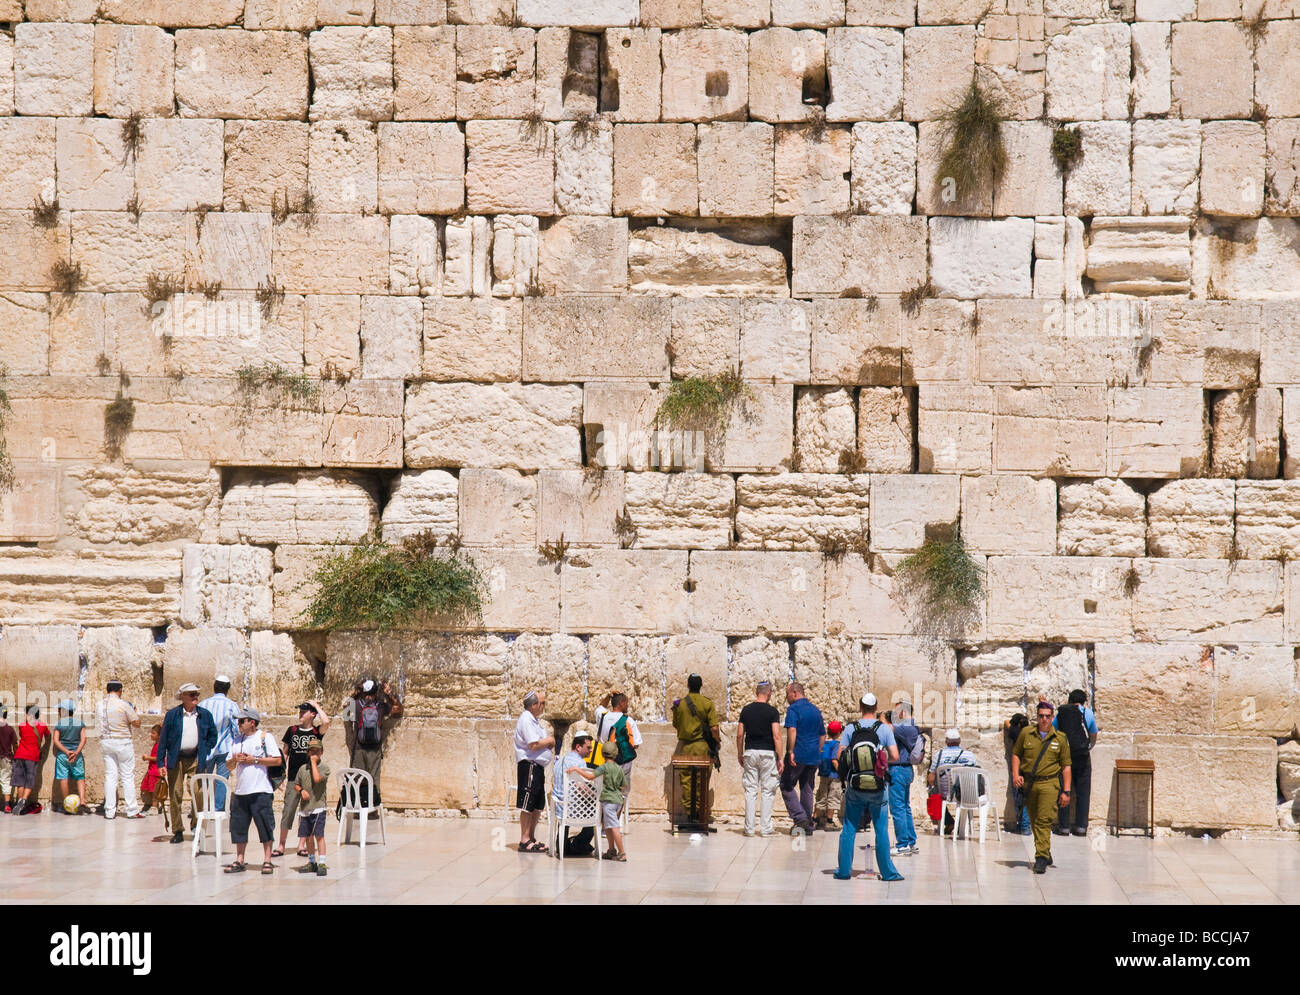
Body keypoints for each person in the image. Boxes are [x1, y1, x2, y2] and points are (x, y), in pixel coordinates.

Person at [833, 694, 904, 882]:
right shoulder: (884, 729)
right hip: (878, 787)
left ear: (860, 707)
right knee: (881, 830)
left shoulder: (850, 728)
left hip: (855, 786)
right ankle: (888, 873)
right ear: (876, 707)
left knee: (849, 828)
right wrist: (879, 762)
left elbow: (840, 756)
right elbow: (895, 756)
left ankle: (844, 871)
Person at [1011, 701, 1072, 874]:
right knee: (1034, 818)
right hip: (1030, 783)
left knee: (1044, 820)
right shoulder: (1026, 733)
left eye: (1047, 716)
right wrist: (1016, 775)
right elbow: (1016, 754)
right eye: (1041, 716)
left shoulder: (1060, 739)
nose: (1044, 719)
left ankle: (1040, 857)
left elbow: (1066, 766)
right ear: (1037, 717)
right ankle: (1045, 851)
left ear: (1052, 718)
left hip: (1049, 783)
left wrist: (1066, 791)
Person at [157, 682, 218, 843]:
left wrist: (206, 748)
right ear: (183, 697)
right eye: (191, 695)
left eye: (196, 694)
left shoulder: (204, 714)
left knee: (198, 793)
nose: (195, 697)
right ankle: (177, 830)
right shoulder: (172, 715)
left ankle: (196, 825)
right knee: (175, 794)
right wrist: (160, 763)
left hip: (195, 759)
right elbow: (162, 740)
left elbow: (213, 735)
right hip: (176, 759)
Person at [224, 708, 280, 875]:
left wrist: (254, 759)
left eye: (242, 721)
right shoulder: (236, 740)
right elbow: (228, 765)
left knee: (264, 826)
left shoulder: (265, 737)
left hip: (261, 790)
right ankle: (240, 859)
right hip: (241, 791)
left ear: (252, 722)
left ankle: (267, 860)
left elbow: (276, 760)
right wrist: (235, 759)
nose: (239, 724)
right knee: (238, 827)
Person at [275, 702, 331, 858]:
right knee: (288, 810)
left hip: (310, 779)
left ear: (312, 714)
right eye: (300, 711)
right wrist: (280, 774)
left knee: (306, 812)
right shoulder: (292, 730)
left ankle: (302, 845)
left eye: (304, 711)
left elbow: (326, 722)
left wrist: (316, 705)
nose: (300, 714)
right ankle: (281, 845)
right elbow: (285, 754)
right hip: (294, 777)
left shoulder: (315, 732)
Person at [670, 674, 720, 825]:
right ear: (701, 685)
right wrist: (717, 741)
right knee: (702, 779)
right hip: (702, 746)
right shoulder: (707, 703)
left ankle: (689, 814)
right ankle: (700, 813)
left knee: (686, 780)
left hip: (686, 747)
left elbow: (676, 725)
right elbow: (714, 727)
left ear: (687, 685)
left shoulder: (680, 704)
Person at [736, 680, 783, 837]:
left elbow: (739, 734)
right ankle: (766, 828)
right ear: (768, 693)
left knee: (750, 790)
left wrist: (739, 753)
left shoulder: (746, 710)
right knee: (768, 791)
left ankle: (749, 829)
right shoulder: (772, 712)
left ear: (757, 692)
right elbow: (777, 735)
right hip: (767, 753)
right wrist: (780, 757)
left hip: (750, 752)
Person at [342, 677, 402, 798]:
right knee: (374, 779)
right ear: (376, 693)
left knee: (357, 778)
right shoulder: (380, 706)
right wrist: (389, 693)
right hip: (375, 749)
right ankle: (373, 809)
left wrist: (356, 693)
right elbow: (399, 708)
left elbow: (345, 710)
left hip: (359, 748)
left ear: (363, 692)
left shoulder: (357, 705)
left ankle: (357, 807)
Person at [780, 682, 824, 835]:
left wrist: (790, 751)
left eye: (787, 694)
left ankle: (800, 819)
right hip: (813, 756)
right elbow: (822, 735)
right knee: (807, 787)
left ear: (794, 693)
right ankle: (807, 825)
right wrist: (817, 751)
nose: (786, 698)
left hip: (798, 753)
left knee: (786, 784)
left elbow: (792, 729)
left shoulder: (793, 709)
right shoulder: (816, 710)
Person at [513, 690, 554, 854]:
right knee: (528, 804)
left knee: (537, 804)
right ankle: (524, 839)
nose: (544, 706)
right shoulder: (526, 720)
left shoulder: (534, 721)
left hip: (537, 766)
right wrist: (549, 741)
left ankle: (531, 837)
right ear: (533, 705)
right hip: (529, 764)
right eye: (542, 703)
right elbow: (533, 744)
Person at [97, 678, 142, 820]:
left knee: (110, 777)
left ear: (107, 689)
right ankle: (132, 810)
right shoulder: (123, 705)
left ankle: (109, 811)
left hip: (106, 742)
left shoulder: (99, 705)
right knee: (127, 776)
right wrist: (134, 711)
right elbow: (136, 723)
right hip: (122, 742)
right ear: (120, 690)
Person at [1054, 689, 1097, 836]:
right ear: (1084, 701)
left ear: (1070, 700)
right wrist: (1088, 747)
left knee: (1064, 789)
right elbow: (1093, 733)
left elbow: (1054, 731)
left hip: (1065, 756)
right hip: (1082, 757)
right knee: (1083, 792)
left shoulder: (1062, 713)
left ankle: (1064, 827)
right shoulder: (1088, 713)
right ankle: (1081, 827)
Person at [553, 730, 600, 856]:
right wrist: (595, 797)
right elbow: (581, 787)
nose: (591, 750)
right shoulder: (580, 763)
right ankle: (579, 844)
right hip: (574, 809)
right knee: (600, 811)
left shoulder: (559, 761)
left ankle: (562, 845)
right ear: (578, 747)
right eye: (588, 747)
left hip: (559, 807)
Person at [199, 675, 240, 812]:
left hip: (206, 748)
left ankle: (203, 806)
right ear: (228, 688)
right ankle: (217, 808)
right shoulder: (231, 706)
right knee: (222, 779)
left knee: (204, 778)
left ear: (214, 687)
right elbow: (236, 728)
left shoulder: (203, 704)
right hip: (224, 748)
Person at [887, 702, 923, 856]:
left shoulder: (905, 727)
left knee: (897, 808)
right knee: (905, 807)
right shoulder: (911, 727)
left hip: (899, 769)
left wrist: (882, 718)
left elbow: (886, 728)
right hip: (905, 769)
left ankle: (902, 844)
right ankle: (910, 841)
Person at [927, 728, 979, 833]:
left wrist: (932, 786)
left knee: (932, 794)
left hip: (946, 794)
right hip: (966, 793)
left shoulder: (940, 755)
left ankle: (949, 822)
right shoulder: (969, 755)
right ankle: (964, 824)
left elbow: (931, 777)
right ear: (959, 741)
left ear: (946, 741)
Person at [292, 737, 330, 876]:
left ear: (321, 752)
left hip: (318, 807)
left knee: (319, 835)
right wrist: (301, 791)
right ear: (307, 752)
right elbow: (296, 784)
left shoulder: (324, 768)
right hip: (305, 809)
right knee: (307, 836)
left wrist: (314, 764)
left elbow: (317, 779)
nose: (314, 753)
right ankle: (311, 861)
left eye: (317, 751)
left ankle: (322, 862)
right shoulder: (302, 769)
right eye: (311, 751)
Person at [594, 691, 641, 788]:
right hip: (622, 763)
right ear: (621, 703)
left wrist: (608, 695)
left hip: (603, 760)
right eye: (626, 703)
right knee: (622, 792)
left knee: (604, 789)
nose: (627, 706)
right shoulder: (628, 720)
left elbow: (600, 707)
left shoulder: (602, 716)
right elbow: (636, 744)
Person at [11, 705, 50, 815]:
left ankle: (19, 801)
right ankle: (24, 800)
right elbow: (48, 735)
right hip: (32, 757)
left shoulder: (22, 725)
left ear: (30, 715)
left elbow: (22, 734)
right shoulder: (42, 726)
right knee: (29, 780)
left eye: (26, 713)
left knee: (20, 781)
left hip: (19, 755)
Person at [52, 699, 86, 811]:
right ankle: (82, 800)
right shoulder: (80, 723)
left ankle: (67, 803)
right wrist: (76, 752)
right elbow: (83, 739)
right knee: (80, 777)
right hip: (77, 755)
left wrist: (67, 752)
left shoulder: (59, 724)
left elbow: (56, 741)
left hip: (63, 755)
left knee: (63, 778)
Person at [597, 746, 628, 861]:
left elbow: (590, 776)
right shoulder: (619, 768)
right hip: (618, 800)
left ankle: (622, 853)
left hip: (609, 801)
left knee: (614, 827)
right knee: (608, 826)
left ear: (603, 754)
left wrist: (577, 770)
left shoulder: (604, 767)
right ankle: (611, 850)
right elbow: (624, 786)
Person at [1003, 713, 1031, 834]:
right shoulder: (1031, 734)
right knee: (1026, 798)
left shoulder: (1016, 733)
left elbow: (1006, 722)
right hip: (1029, 770)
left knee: (1019, 798)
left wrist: (1014, 723)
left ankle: (1023, 826)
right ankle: (1024, 826)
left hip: (1018, 771)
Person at [813, 719, 843, 831]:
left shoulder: (823, 743)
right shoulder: (836, 744)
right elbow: (834, 760)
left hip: (823, 774)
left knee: (821, 796)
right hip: (834, 776)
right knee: (833, 798)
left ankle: (815, 819)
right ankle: (829, 822)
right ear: (839, 733)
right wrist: (842, 773)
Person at [139, 725, 167, 824]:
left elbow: (159, 758)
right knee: (149, 789)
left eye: (153, 733)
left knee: (155, 791)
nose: (151, 735)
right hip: (152, 770)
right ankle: (152, 805)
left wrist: (147, 757)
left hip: (156, 771)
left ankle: (154, 807)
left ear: (159, 736)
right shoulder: (156, 744)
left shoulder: (160, 745)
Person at [0, 708, 16, 812]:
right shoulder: (10, 729)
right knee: (6, 780)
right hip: (6, 757)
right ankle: (7, 805)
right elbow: (15, 745)